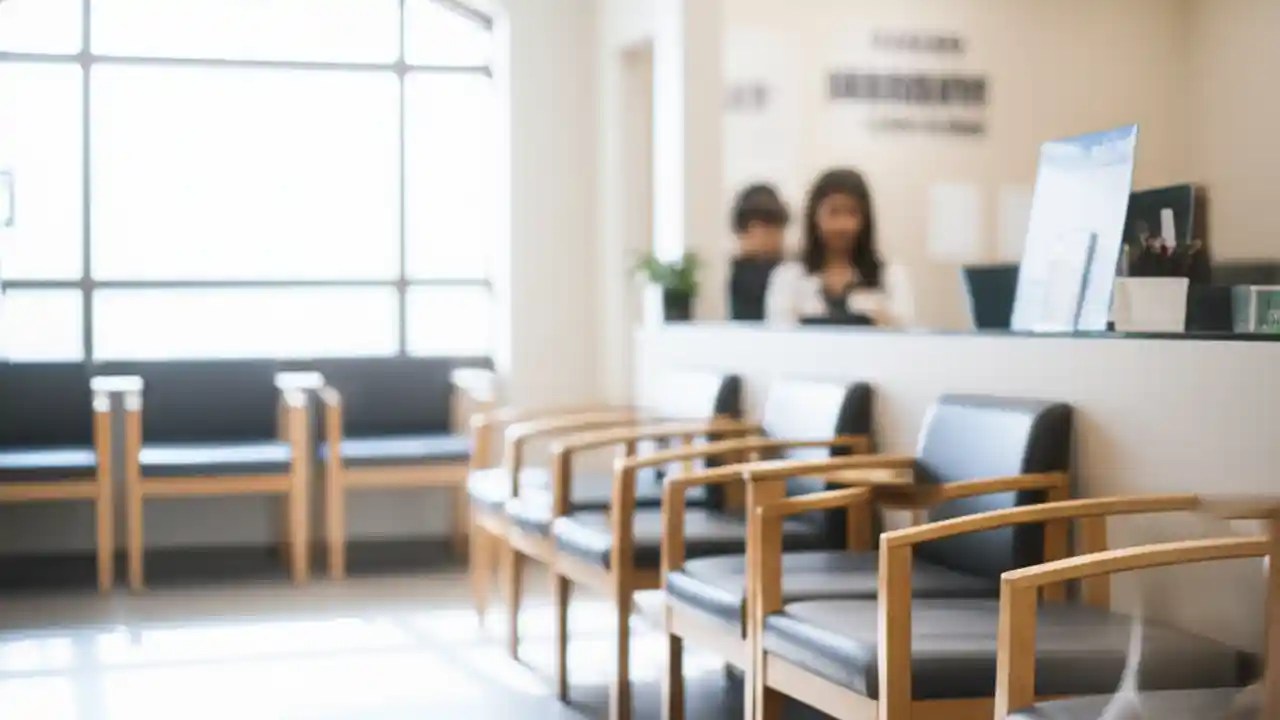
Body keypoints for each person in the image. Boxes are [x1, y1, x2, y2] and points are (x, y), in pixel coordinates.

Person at [764, 168, 889, 325]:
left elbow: (903, 337)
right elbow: (779, 334)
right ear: (815, 217)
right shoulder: (787, 276)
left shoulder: (890, 276)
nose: (842, 225)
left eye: (852, 213)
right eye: (833, 213)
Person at [728, 184, 789, 321]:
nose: (771, 237)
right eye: (763, 228)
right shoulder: (743, 274)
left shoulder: (789, 273)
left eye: (776, 228)